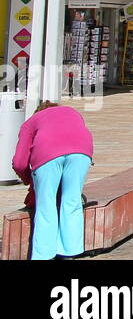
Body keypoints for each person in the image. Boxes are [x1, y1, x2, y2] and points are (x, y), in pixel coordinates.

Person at [11, 101, 94, 260]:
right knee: (72, 202)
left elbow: (19, 162)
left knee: (46, 206)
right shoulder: (73, 113)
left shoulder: (31, 122)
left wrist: (29, 179)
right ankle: (70, 252)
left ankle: (43, 255)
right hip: (82, 152)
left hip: (47, 155)